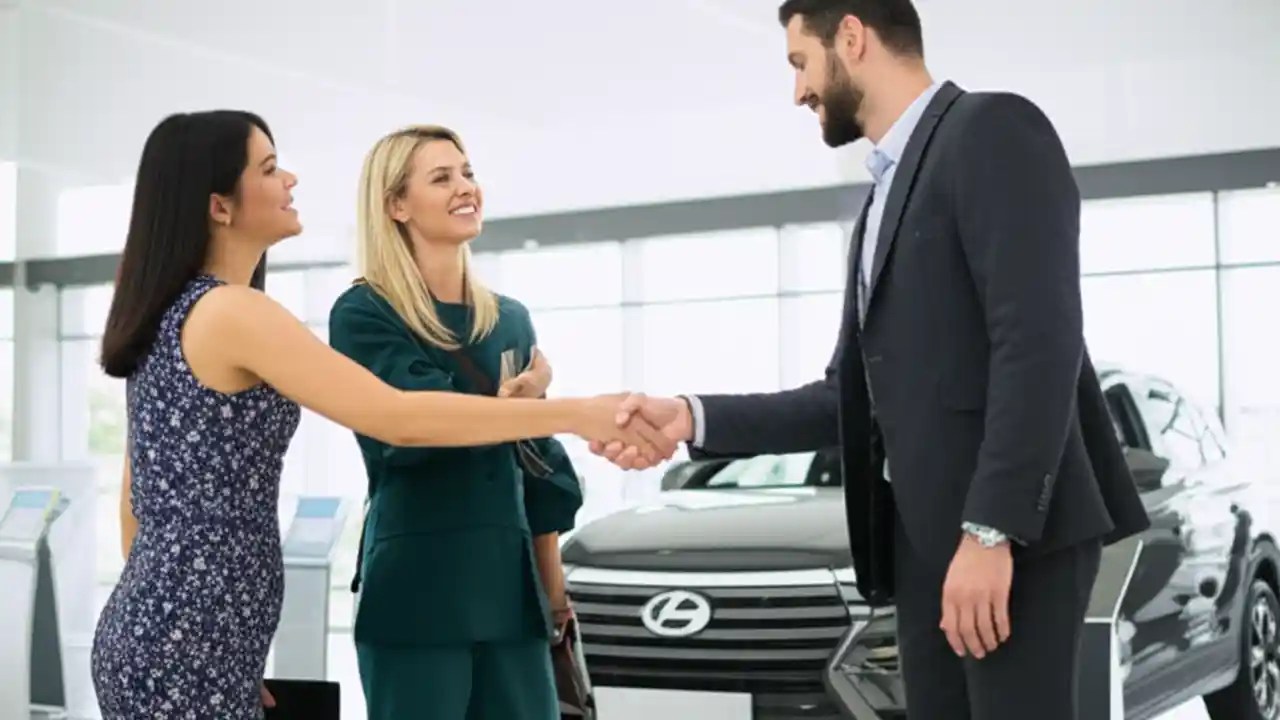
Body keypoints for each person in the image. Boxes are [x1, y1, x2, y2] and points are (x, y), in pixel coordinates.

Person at [592, 2, 1151, 719]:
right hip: (923, 543)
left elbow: (1038, 344)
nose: (798, 91)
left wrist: (990, 532)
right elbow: (844, 397)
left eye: (800, 62)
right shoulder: (885, 191)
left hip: (1007, 543)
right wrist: (688, 418)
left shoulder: (992, 130)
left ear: (850, 37)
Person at [90, 110, 672, 720]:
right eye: (268, 167)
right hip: (190, 642)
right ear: (219, 206)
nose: (290, 178)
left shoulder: (181, 313)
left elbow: (138, 503)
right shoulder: (234, 311)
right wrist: (580, 413)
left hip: (181, 637)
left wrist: (218, 649)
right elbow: (397, 417)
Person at [326, 124, 582, 720]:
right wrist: (521, 411)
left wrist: (552, 585)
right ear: (395, 204)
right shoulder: (364, 313)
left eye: (467, 172)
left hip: (510, 594)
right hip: (417, 592)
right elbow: (416, 427)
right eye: (442, 177)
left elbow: (535, 462)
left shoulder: (511, 320)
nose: (466, 187)